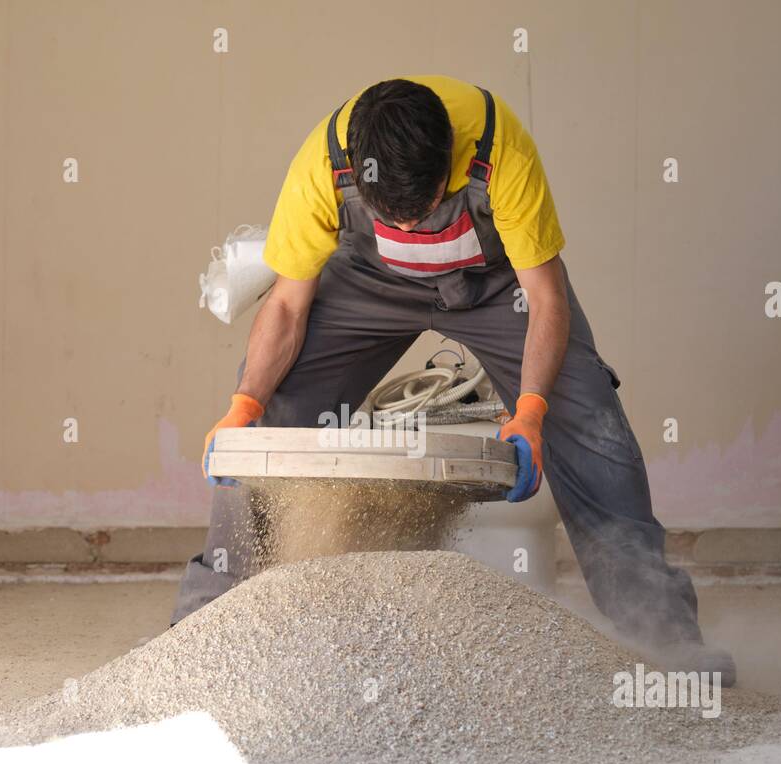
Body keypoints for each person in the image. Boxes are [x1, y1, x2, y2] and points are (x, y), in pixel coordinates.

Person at [174, 75, 735, 683]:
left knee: (588, 415)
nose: (413, 230)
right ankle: (208, 626)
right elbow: (285, 306)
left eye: (424, 210)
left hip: (498, 288)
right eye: (395, 216)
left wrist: (531, 412)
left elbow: (545, 301)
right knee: (266, 415)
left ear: (450, 164)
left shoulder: (502, 155)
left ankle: (663, 637)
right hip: (370, 284)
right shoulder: (322, 164)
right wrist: (244, 404)